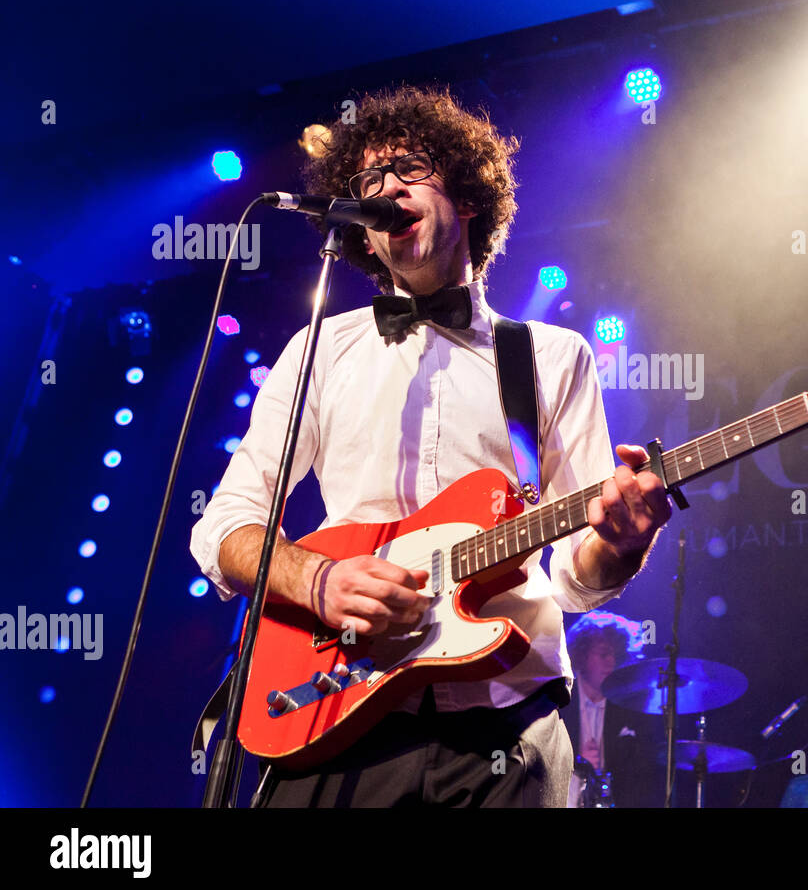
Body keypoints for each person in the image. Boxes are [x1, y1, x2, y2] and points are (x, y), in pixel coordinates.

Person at [190, 84, 671, 807]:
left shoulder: (551, 355)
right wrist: (318, 582)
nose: (384, 189)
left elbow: (576, 577)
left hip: (505, 721)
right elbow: (223, 529)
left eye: (408, 169)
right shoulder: (319, 350)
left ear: (468, 196)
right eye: (367, 182)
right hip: (332, 714)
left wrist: (623, 543)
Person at [562, 610, 658, 808]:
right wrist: (578, 763)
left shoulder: (629, 706)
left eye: (616, 655)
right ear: (581, 654)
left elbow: (640, 775)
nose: (611, 662)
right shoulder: (559, 700)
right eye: (604, 654)